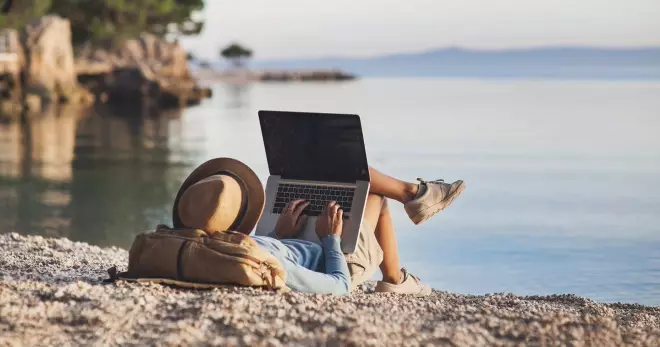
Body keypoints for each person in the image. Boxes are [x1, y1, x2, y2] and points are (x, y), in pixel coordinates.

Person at [172, 158, 465, 296]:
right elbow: (338, 286)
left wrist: (278, 235)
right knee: (372, 193)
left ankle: (414, 195)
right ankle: (395, 279)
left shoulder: (208, 248)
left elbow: (261, 248)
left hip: (291, 241)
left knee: (335, 171)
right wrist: (330, 239)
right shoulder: (260, 260)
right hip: (336, 261)